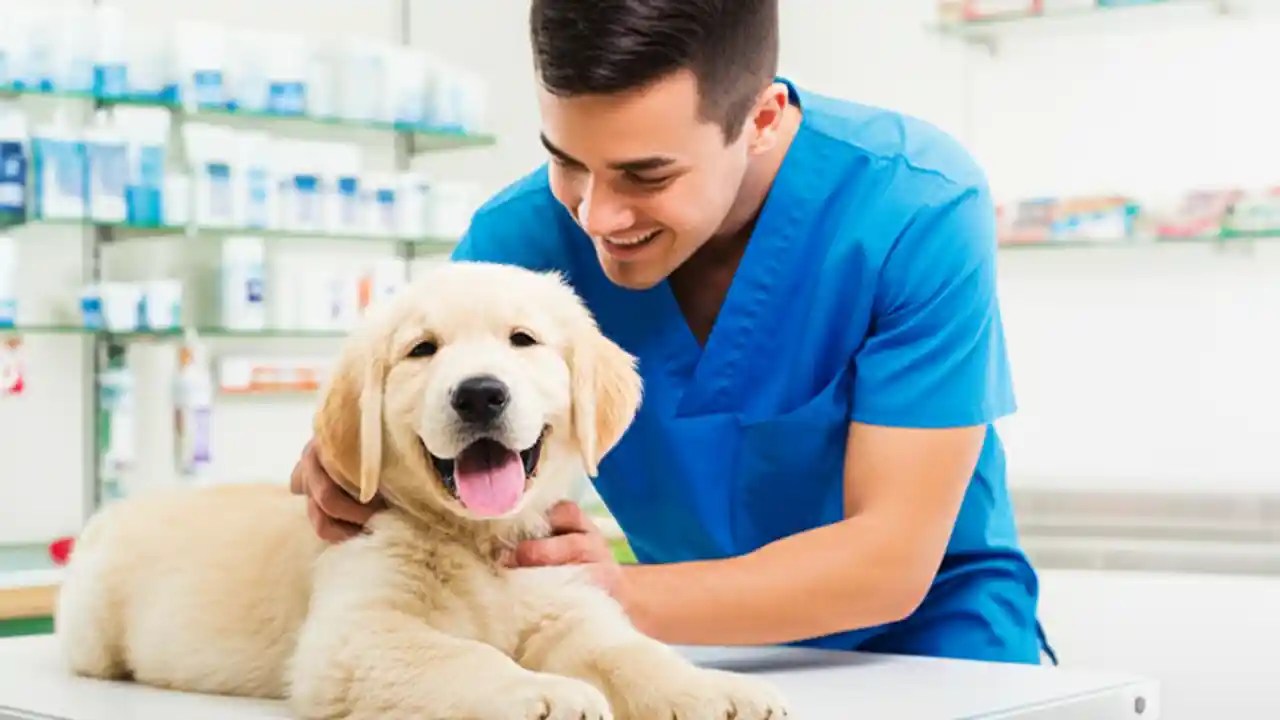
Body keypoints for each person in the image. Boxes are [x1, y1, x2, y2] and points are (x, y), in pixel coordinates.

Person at [290, 0, 1056, 665]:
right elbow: (424, 428)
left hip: (934, 651)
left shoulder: (913, 207)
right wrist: (353, 466)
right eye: (566, 161)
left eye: (646, 177)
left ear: (759, 120)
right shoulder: (518, 241)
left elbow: (887, 559)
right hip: (683, 647)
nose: (594, 215)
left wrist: (616, 592)